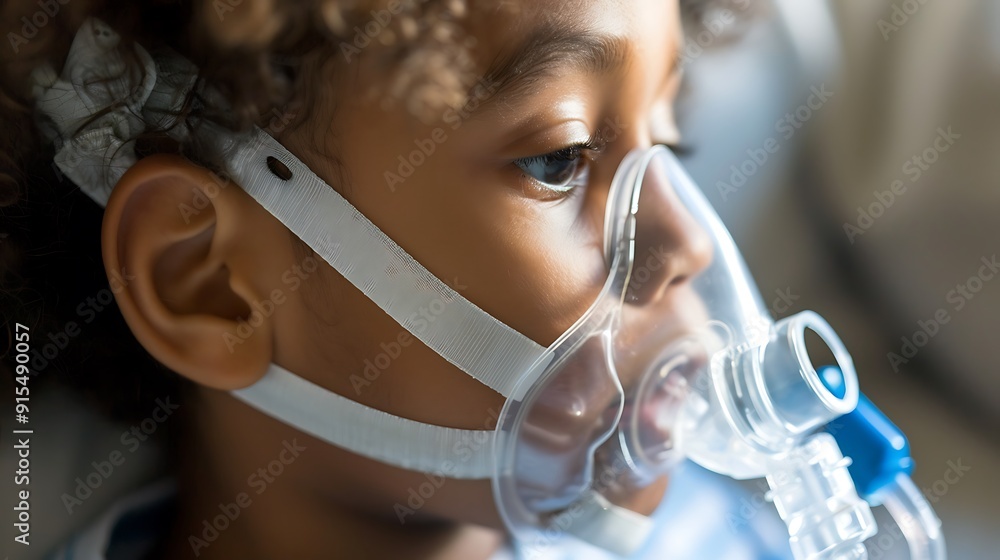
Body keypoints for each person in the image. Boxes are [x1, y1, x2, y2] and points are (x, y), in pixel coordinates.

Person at [0, 1, 801, 559]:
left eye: (671, 144)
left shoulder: (718, 539)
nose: (688, 240)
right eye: (559, 158)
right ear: (207, 284)